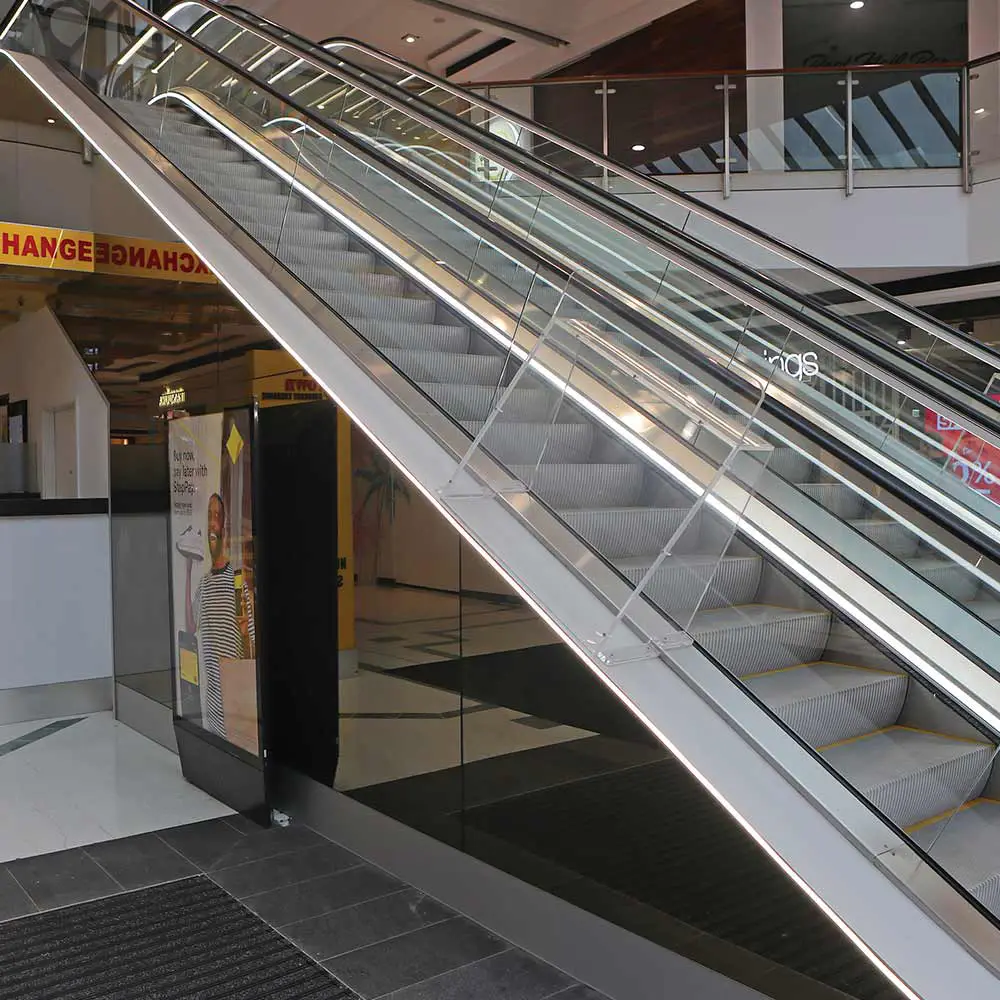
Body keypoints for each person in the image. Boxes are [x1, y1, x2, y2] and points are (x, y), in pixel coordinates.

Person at [184, 492, 254, 738]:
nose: (213, 522)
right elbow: (190, 626)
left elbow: (251, 647)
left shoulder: (236, 582)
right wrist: (188, 568)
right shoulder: (203, 584)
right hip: (210, 703)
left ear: (224, 525)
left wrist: (245, 635)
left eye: (217, 516)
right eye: (209, 516)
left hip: (234, 702)